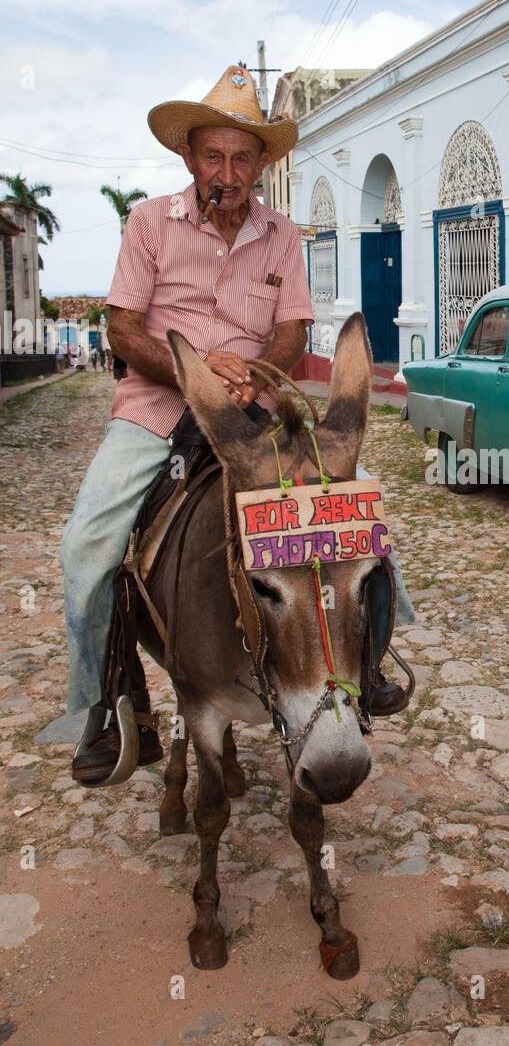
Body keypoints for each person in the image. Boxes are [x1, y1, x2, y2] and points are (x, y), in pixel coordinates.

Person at [60, 64, 413, 787]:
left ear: (261, 165)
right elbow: (123, 329)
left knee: (356, 527)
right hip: (158, 408)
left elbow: (290, 331)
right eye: (213, 156)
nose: (228, 171)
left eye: (242, 157)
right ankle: (104, 705)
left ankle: (367, 666)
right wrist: (193, 375)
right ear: (190, 159)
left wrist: (255, 375)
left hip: (259, 411)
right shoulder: (149, 223)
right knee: (87, 548)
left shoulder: (281, 233)